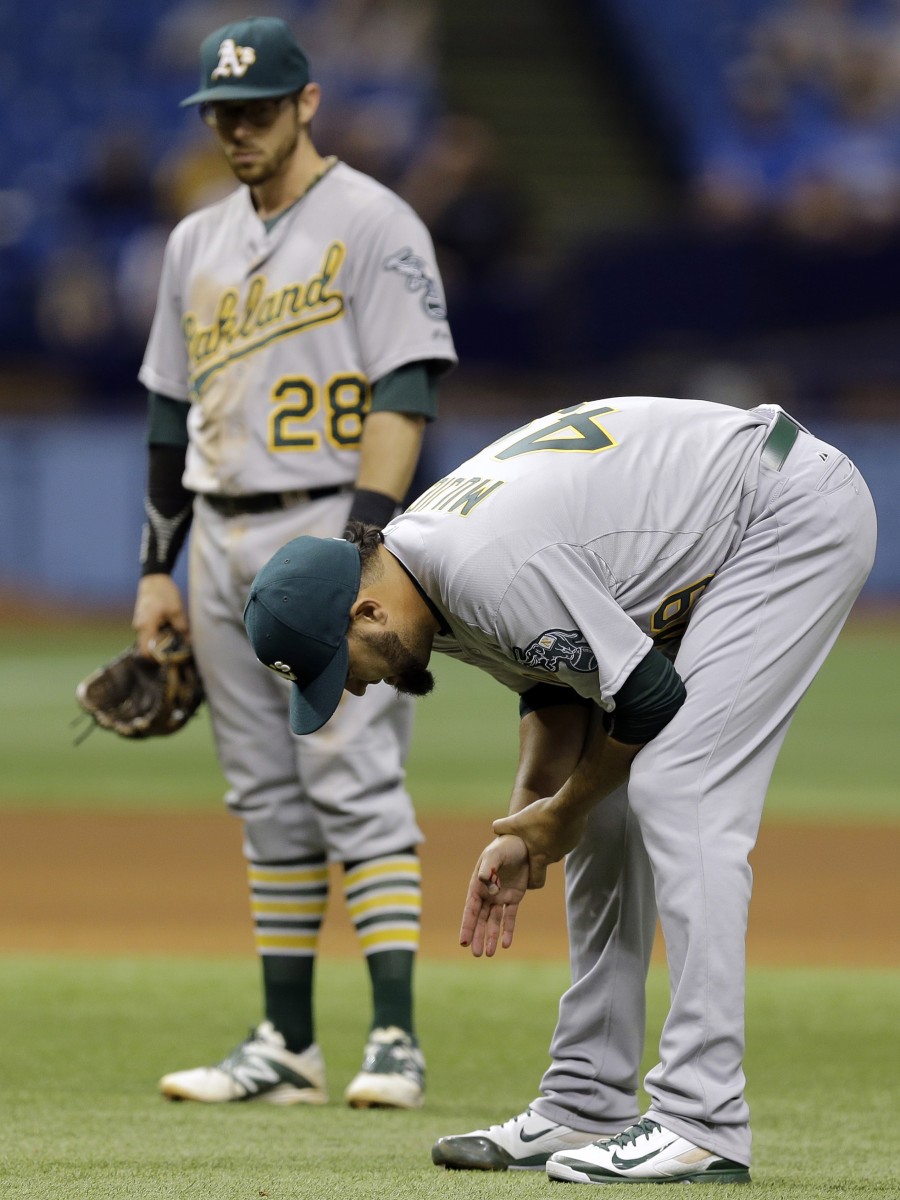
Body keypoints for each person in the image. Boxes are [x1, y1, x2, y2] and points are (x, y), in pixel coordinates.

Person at [242, 395, 876, 1181]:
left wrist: (561, 815)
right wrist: (527, 822)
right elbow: (560, 692)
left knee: (682, 786)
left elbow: (647, 702)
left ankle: (702, 1118)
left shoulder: (480, 568)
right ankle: (585, 1100)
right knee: (606, 805)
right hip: (731, 518)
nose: (358, 691)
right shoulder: (424, 577)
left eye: (344, 669)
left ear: (366, 611)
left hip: (782, 511)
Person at [133, 15, 456, 1109]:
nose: (237, 129)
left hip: (326, 519)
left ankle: (397, 1040)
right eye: (222, 113)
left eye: (258, 110)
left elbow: (406, 389)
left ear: (308, 103)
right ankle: (286, 1044)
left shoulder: (374, 221)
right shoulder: (196, 239)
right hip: (216, 531)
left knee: (352, 777)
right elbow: (170, 417)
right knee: (265, 796)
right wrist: (154, 568)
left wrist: (363, 543)